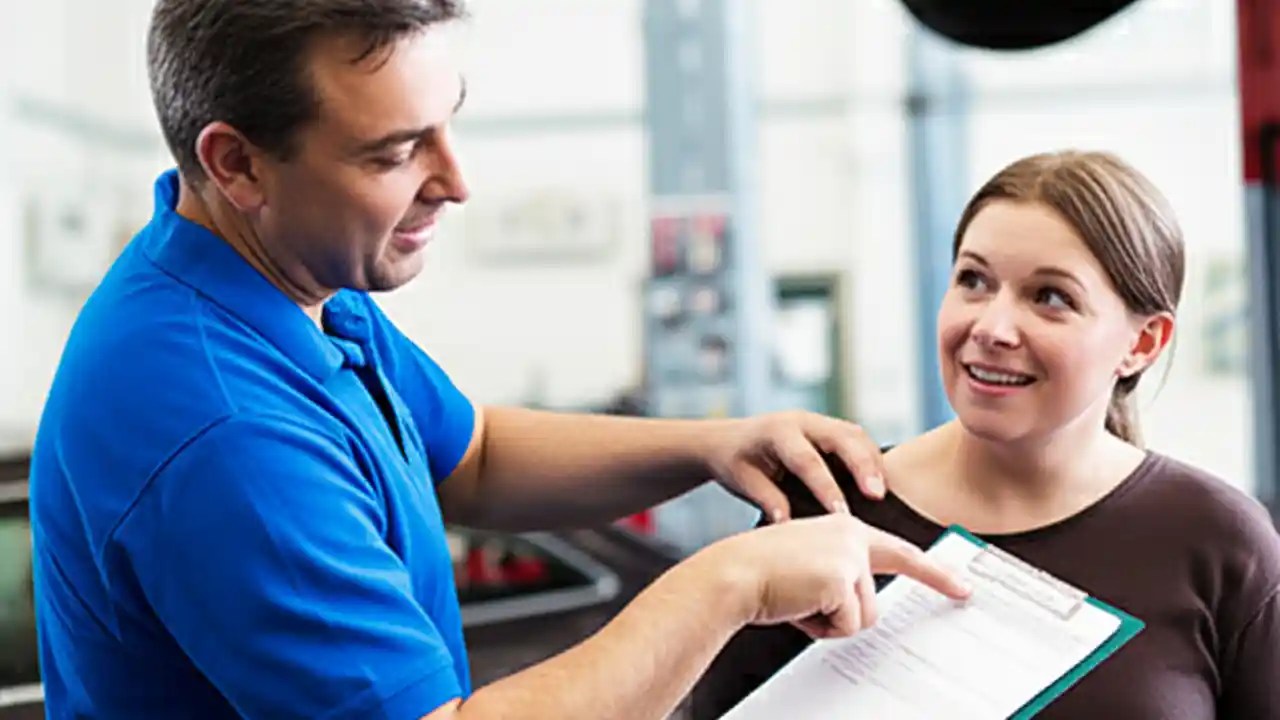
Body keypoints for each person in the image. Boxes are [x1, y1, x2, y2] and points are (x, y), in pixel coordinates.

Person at [25, 2, 971, 719]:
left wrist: (713, 446)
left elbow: (471, 455)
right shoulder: (222, 429)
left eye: (450, 122)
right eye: (396, 153)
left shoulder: (283, 281)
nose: (456, 180)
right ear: (236, 164)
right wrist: (733, 582)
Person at [691, 150, 1280, 718]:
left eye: (1051, 298)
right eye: (974, 280)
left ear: (1142, 342)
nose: (993, 326)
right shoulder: (824, 508)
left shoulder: (1217, 542)